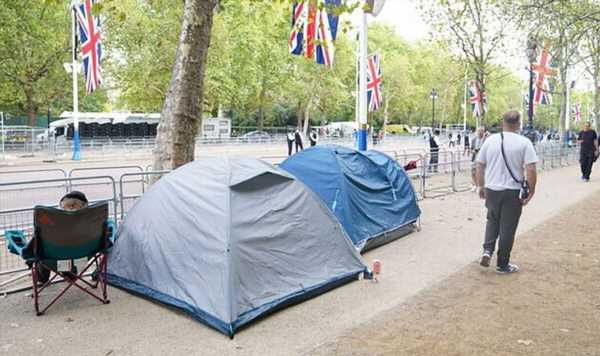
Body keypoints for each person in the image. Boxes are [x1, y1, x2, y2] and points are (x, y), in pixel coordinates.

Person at [476, 111, 538, 274]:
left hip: (492, 188)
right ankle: (502, 263)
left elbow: (480, 165)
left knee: (492, 220)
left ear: (503, 122)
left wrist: (481, 186)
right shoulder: (525, 143)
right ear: (518, 124)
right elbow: (530, 169)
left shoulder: (490, 141)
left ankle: (487, 251)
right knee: (507, 228)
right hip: (512, 191)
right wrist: (531, 191)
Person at [32, 191, 89, 284]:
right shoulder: (92, 220)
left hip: (53, 258)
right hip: (81, 256)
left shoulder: (54, 222)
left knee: (42, 250)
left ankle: (42, 278)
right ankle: (70, 274)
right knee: (69, 251)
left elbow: (37, 242)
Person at [470, 127, 486, 191]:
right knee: (473, 172)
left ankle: (480, 186)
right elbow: (471, 148)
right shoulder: (474, 139)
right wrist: (473, 151)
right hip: (475, 158)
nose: (479, 132)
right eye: (478, 131)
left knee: (481, 173)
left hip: (483, 159)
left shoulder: (486, 139)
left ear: (483, 132)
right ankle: (475, 185)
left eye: (481, 131)